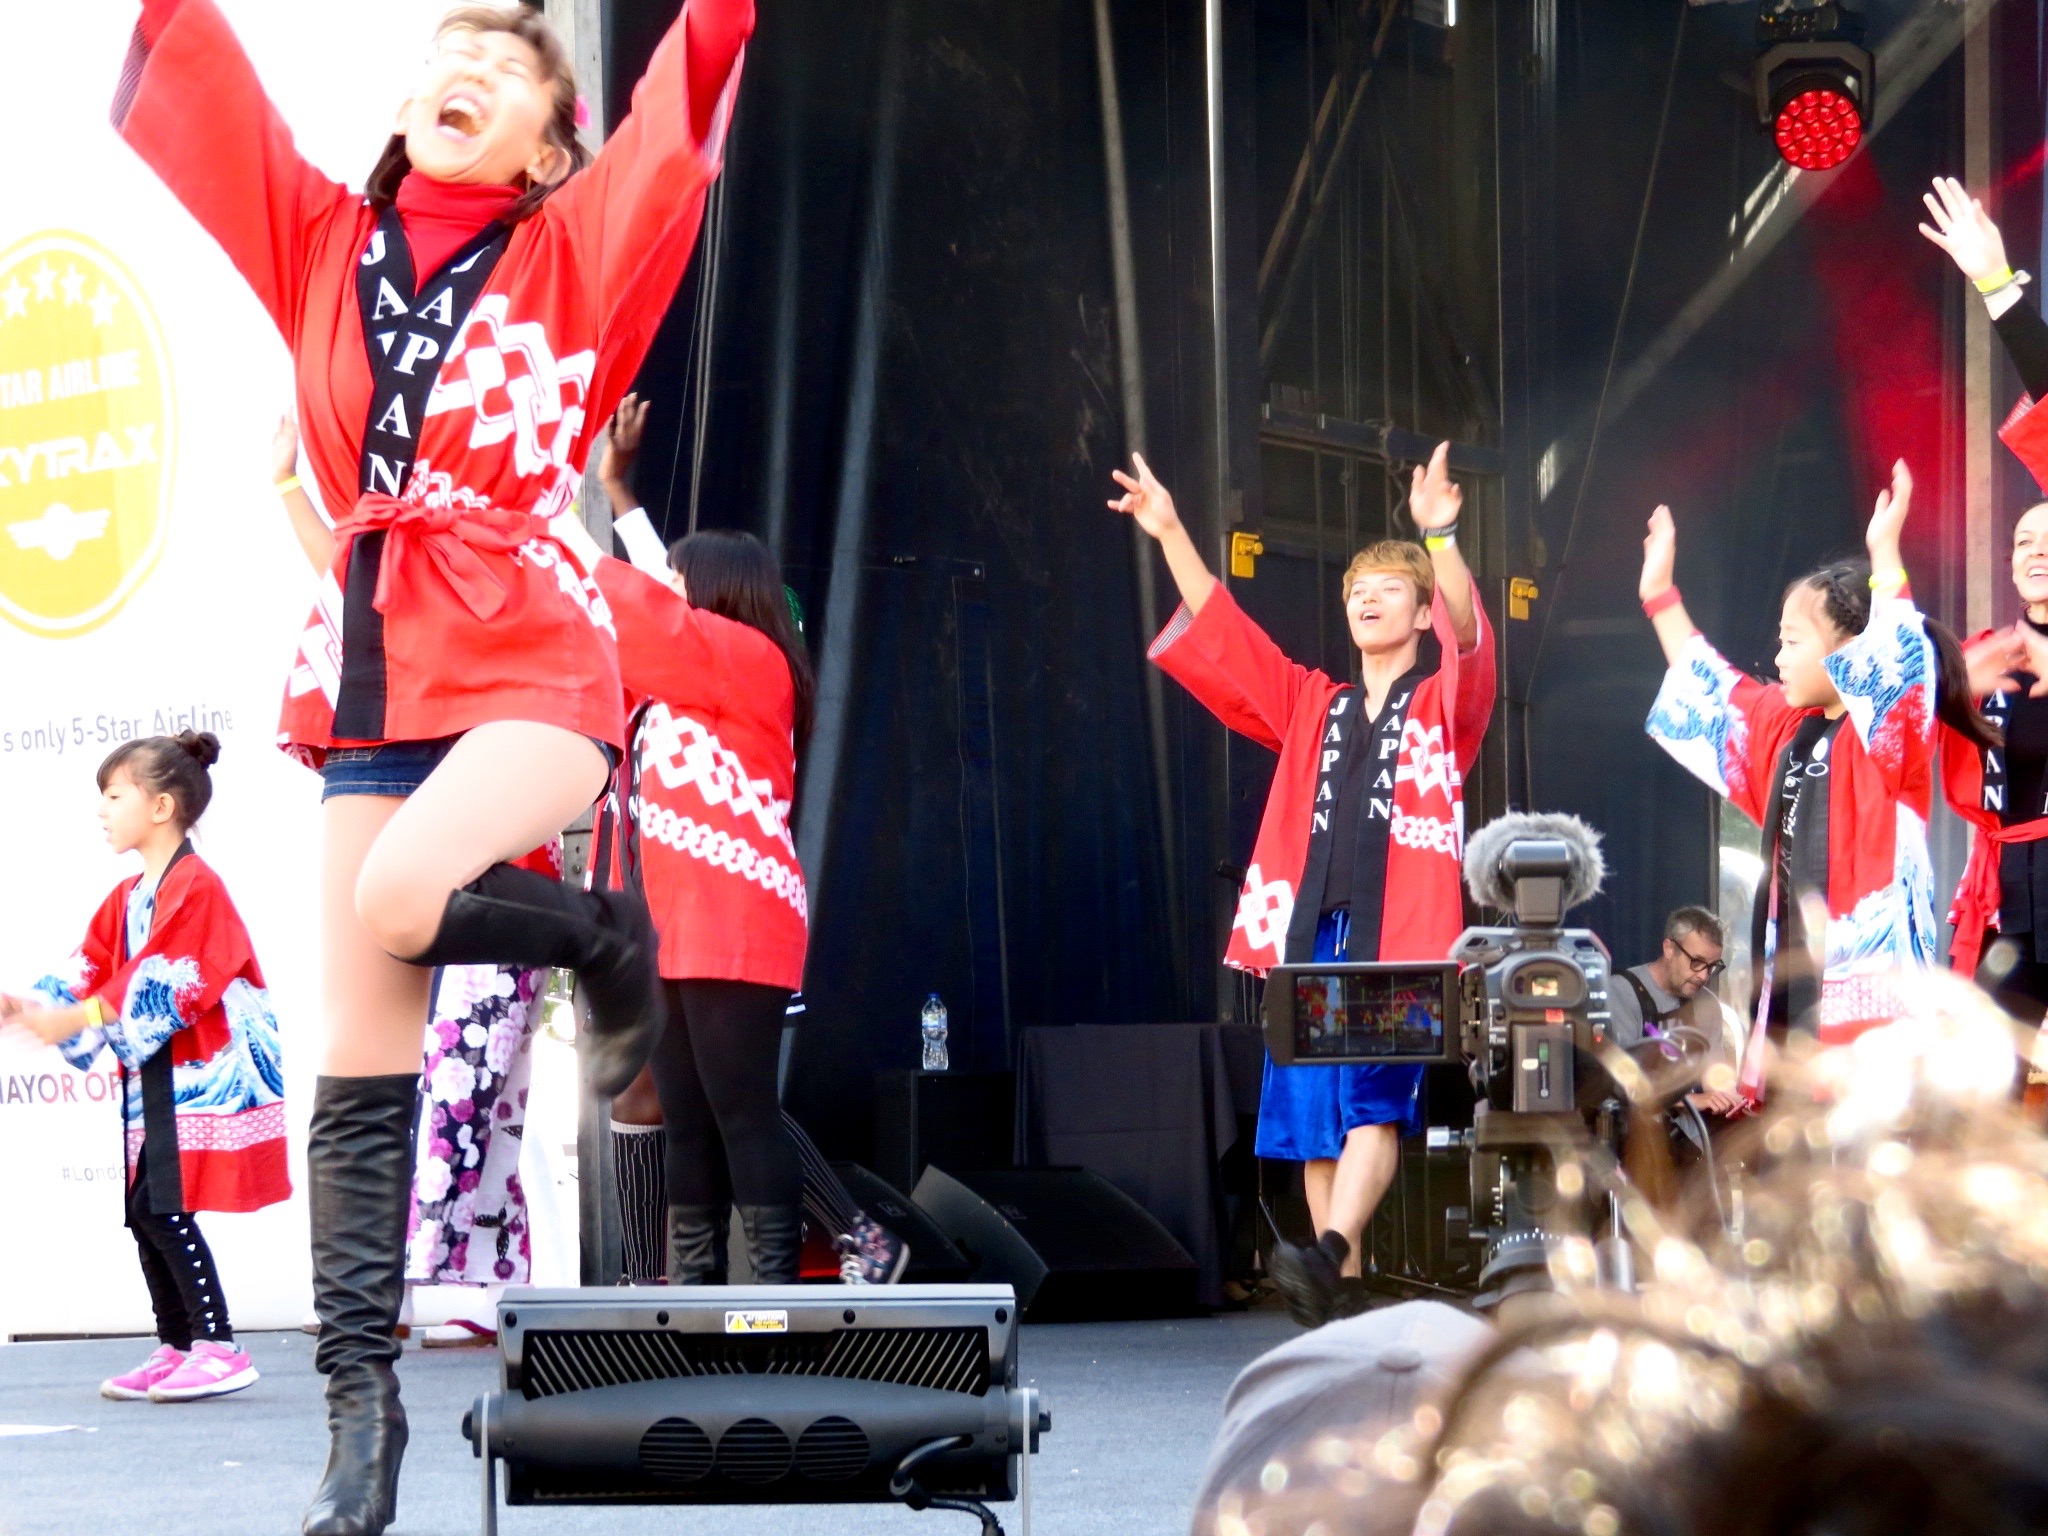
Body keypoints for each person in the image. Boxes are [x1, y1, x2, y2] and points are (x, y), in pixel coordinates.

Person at [114, 2, 753, 1530]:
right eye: (443, 53)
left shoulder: (570, 246)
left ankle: (602, 937)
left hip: (529, 643)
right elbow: (200, 72)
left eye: (513, 66)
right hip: (373, 667)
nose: (464, 72)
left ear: (552, 141)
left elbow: (696, 67)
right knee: (359, 1071)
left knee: (403, 892)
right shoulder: (322, 237)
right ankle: (360, 1423)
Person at [1110, 445, 1494, 1327]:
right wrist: (1169, 531)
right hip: (1311, 937)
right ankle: (1338, 1295)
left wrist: (1438, 535)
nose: (1367, 598)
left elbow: (1470, 631)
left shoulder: (1444, 703)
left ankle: (1323, 1255)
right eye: (1358, 591)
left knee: (1373, 1104)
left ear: (1421, 608)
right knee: (1314, 1114)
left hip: (1396, 940)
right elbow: (1225, 628)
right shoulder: (1312, 702)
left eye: (1390, 590)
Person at [593, 396, 908, 1285]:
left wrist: (553, 515)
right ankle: (695, 1291)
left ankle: (773, 1289)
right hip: (668, 929)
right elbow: (653, 605)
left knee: (741, 1111)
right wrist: (619, 492)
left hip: (737, 919)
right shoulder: (670, 687)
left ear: (722, 594)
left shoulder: (749, 661)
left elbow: (650, 610)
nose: (669, 600)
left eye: (684, 585)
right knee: (684, 1114)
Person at [273, 415, 554, 1344]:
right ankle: (403, 1278)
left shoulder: (500, 576)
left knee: (475, 1088)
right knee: (421, 1077)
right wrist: (289, 493)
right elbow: (346, 580)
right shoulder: (394, 607)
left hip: (500, 882)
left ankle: (456, 1274)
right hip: (420, 872)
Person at [1640, 461, 1997, 1096]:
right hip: (1791, 982)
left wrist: (1885, 555)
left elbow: (1898, 667)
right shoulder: (1787, 727)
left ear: (1848, 651)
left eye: (1792, 641)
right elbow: (1713, 686)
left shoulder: (1888, 735)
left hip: (1873, 999)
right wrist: (1660, 595)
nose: (1777, 658)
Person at [0, 734, 286, 1403]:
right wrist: (32, 1004)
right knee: (146, 1206)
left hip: (199, 1066)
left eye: (113, 795)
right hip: (158, 1073)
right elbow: (91, 964)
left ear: (161, 806)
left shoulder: (196, 886)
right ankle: (179, 1343)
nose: (101, 810)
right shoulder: (130, 894)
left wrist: (75, 1019)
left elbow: (172, 980)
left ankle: (218, 1344)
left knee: (163, 1205)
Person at [1917, 176, 2048, 1091]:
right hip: (2007, 886)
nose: (2034, 551)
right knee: (1997, 1085)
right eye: (2021, 539)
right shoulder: (1993, 657)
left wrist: (2003, 283)